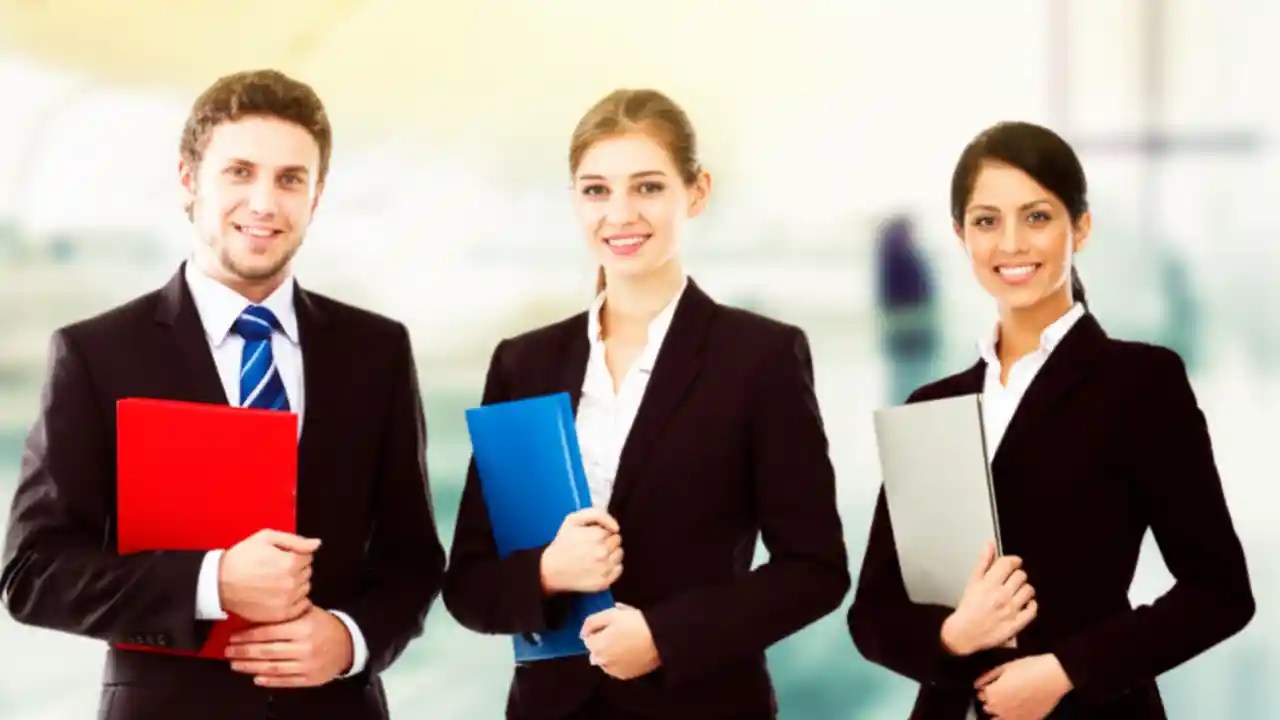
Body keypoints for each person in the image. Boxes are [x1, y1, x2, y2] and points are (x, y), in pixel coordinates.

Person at [1, 69, 446, 720]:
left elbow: (411, 557)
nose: (265, 203)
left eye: (290, 179)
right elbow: (33, 574)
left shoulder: (376, 350)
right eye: (240, 172)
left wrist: (349, 641)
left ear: (316, 196)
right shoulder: (96, 354)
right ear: (189, 180)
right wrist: (211, 582)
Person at [442, 88, 850, 719]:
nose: (620, 214)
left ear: (697, 192)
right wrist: (546, 573)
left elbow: (814, 570)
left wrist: (667, 636)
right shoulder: (523, 364)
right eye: (596, 190)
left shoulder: (759, 357)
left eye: (649, 187)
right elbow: (469, 585)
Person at [848, 121, 1255, 719]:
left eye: (1037, 217)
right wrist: (952, 639)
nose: (1010, 243)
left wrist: (1068, 670)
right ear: (961, 235)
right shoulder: (931, 405)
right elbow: (873, 614)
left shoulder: (1140, 383)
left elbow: (1219, 593)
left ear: (1080, 227)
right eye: (986, 221)